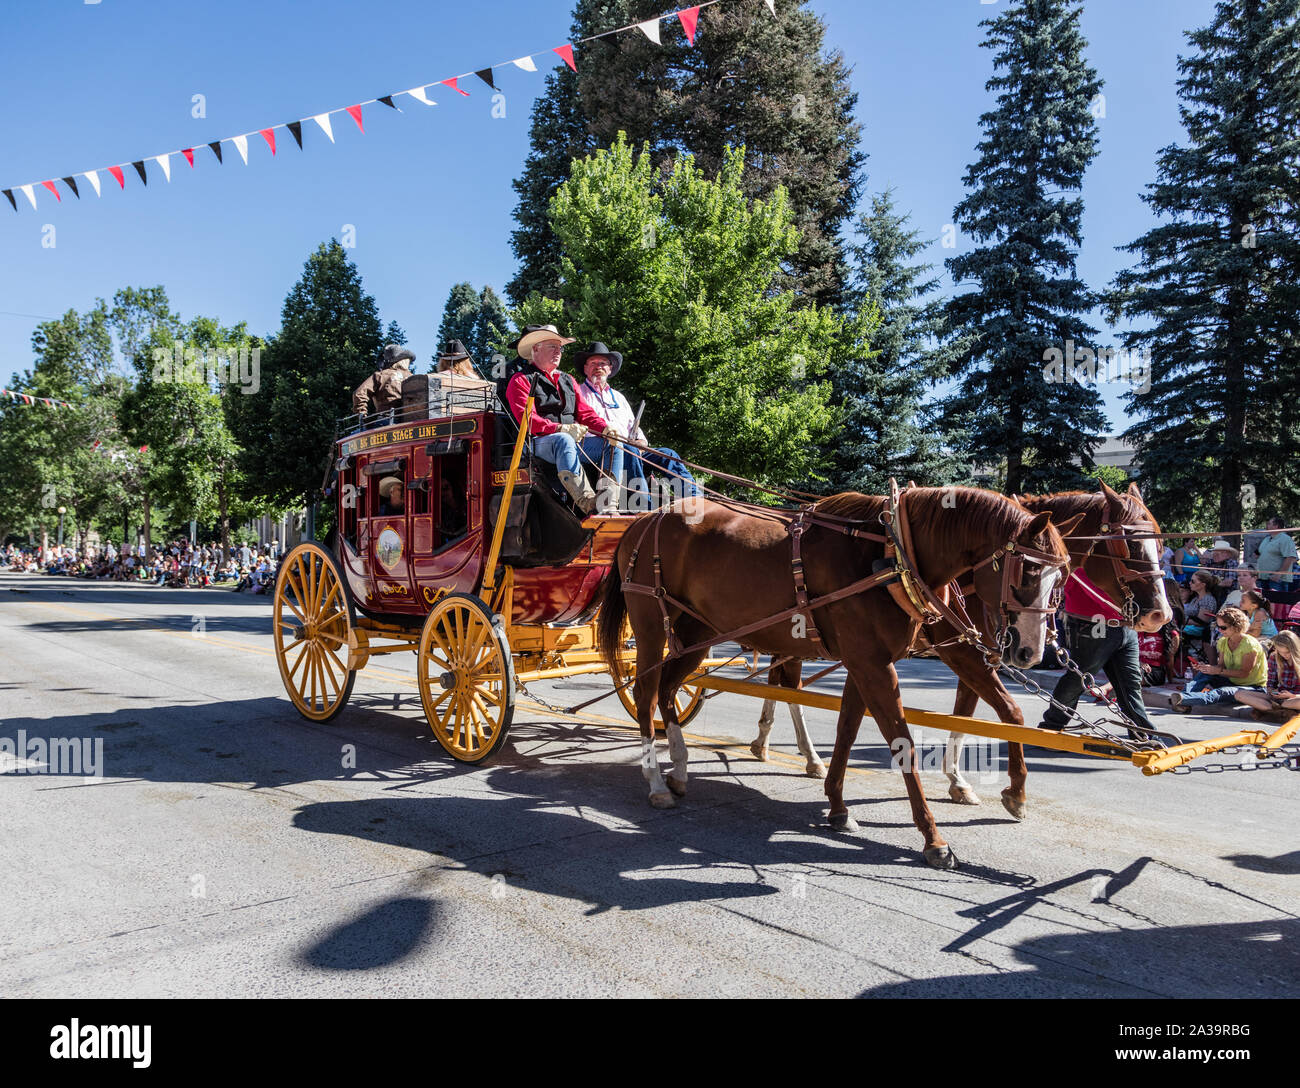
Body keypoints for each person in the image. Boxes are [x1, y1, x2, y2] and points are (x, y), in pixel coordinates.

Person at [502, 325, 618, 515]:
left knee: (612, 444)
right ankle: (587, 501)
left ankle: (609, 503)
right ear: (536, 349)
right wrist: (561, 429)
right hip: (535, 444)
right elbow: (528, 421)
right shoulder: (520, 380)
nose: (558, 352)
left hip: (570, 443)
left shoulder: (568, 380)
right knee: (563, 440)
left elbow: (585, 413)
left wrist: (605, 428)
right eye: (552, 347)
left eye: (560, 348)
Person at [1037, 564, 1161, 739]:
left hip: (1123, 624)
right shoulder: (1082, 557)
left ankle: (1142, 733)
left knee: (1130, 683)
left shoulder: (1113, 555)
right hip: (1094, 623)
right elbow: (1095, 588)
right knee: (1079, 678)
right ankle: (1051, 726)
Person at [572, 341, 698, 511]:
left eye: (603, 363)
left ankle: (695, 498)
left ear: (610, 369)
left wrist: (641, 440)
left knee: (668, 454)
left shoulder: (619, 397)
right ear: (585, 368)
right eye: (593, 363)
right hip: (602, 452)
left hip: (631, 448)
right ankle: (644, 508)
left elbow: (634, 426)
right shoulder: (579, 393)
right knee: (627, 449)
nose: (598, 367)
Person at [1170, 606, 1266, 710]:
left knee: (1222, 692)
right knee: (1204, 673)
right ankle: (1184, 700)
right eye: (1218, 627)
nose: (1219, 630)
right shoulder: (1223, 641)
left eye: (1223, 627)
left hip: (1253, 688)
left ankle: (1184, 699)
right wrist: (1206, 668)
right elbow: (1221, 666)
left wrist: (1217, 671)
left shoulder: (1250, 644)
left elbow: (1244, 673)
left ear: (1236, 626)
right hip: (1232, 682)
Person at [1234, 630, 1300, 720]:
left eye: (1287, 652)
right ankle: (1285, 712)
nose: (1284, 655)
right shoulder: (1274, 657)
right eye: (1280, 652)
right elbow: (1270, 684)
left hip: (1294, 699)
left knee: (1290, 703)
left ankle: (1275, 711)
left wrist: (1292, 696)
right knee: (1239, 694)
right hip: (1278, 699)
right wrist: (1272, 691)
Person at [352, 344, 416, 419]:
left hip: (386, 420)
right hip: (413, 420)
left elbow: (359, 393)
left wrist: (362, 414)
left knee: (356, 431)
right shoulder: (414, 378)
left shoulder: (381, 375)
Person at [1256, 516, 1297, 594]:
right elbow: (1259, 552)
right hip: (1263, 578)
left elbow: (1290, 557)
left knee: (1278, 603)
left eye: (1269, 524)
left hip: (1277, 580)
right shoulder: (1267, 539)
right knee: (1264, 604)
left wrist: (1279, 574)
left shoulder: (1285, 539)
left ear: (1276, 526)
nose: (1266, 526)